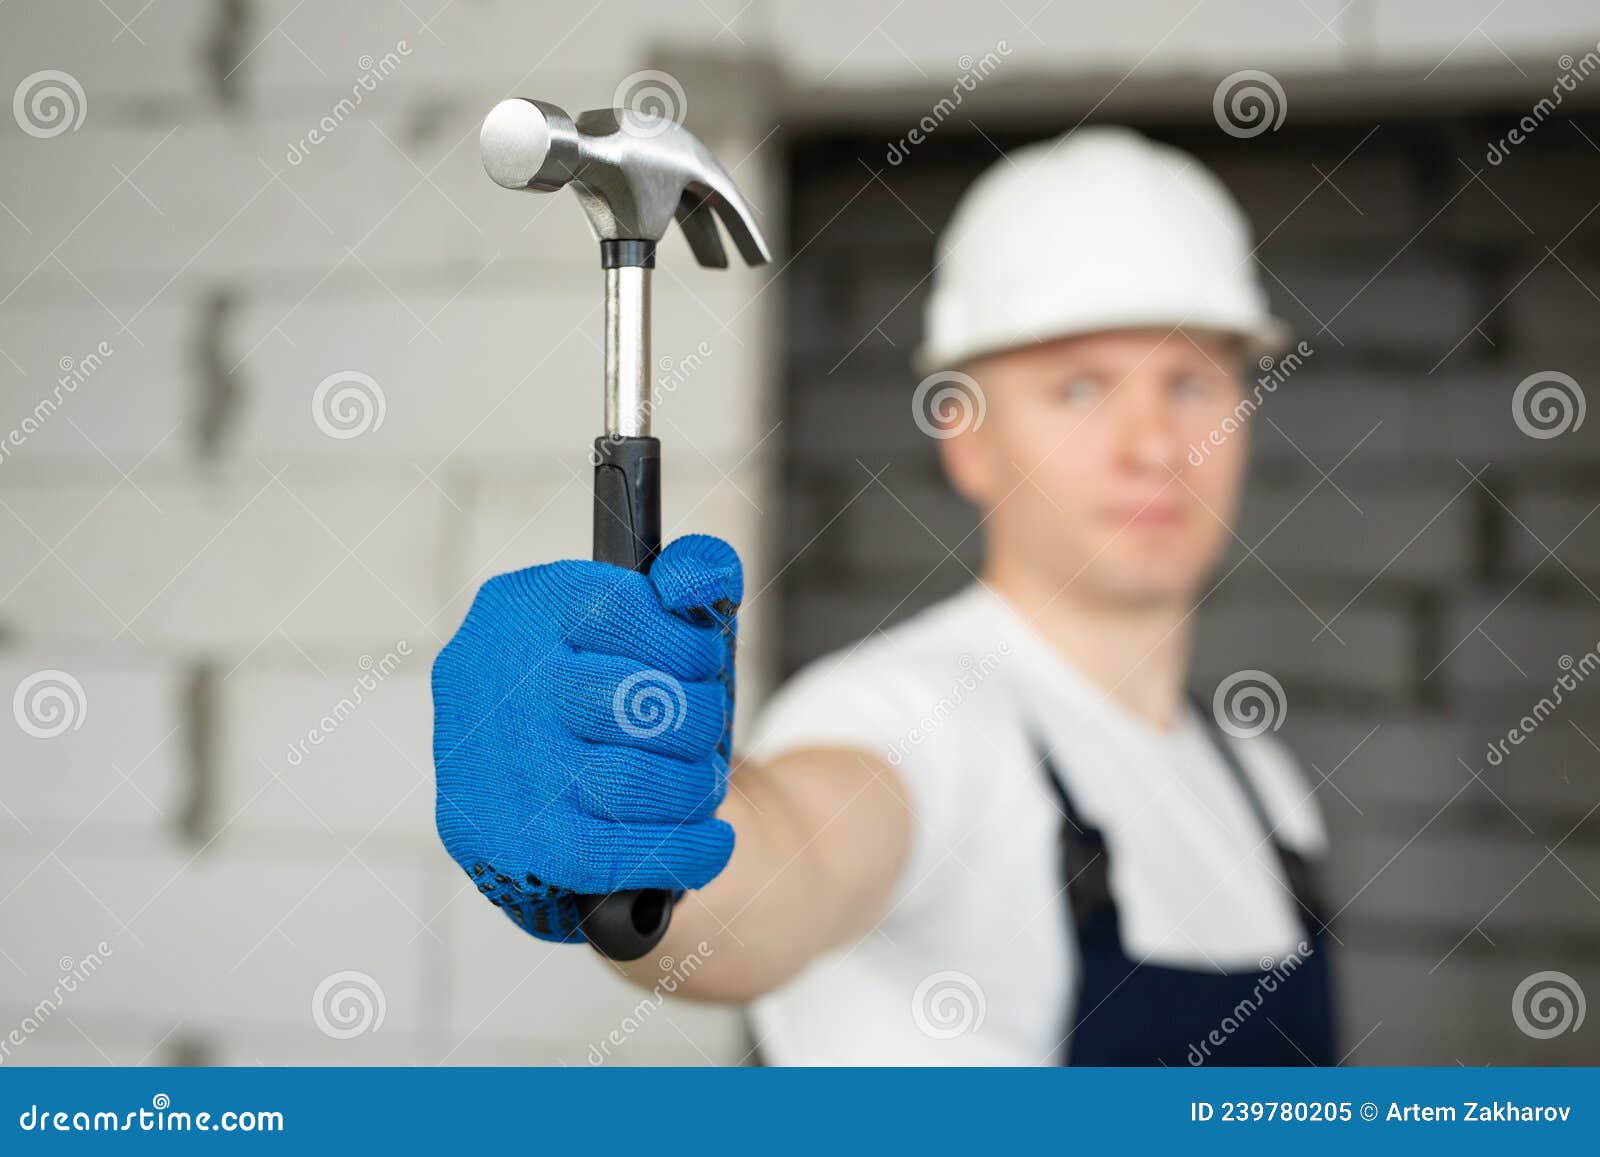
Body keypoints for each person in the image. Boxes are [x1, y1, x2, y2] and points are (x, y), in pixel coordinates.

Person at [431, 126, 1336, 1065]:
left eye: (1191, 383)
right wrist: (631, 815)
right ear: (968, 439)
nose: (1152, 446)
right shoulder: (909, 716)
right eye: (1079, 389)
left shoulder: (1263, 784)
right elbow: (785, 866)